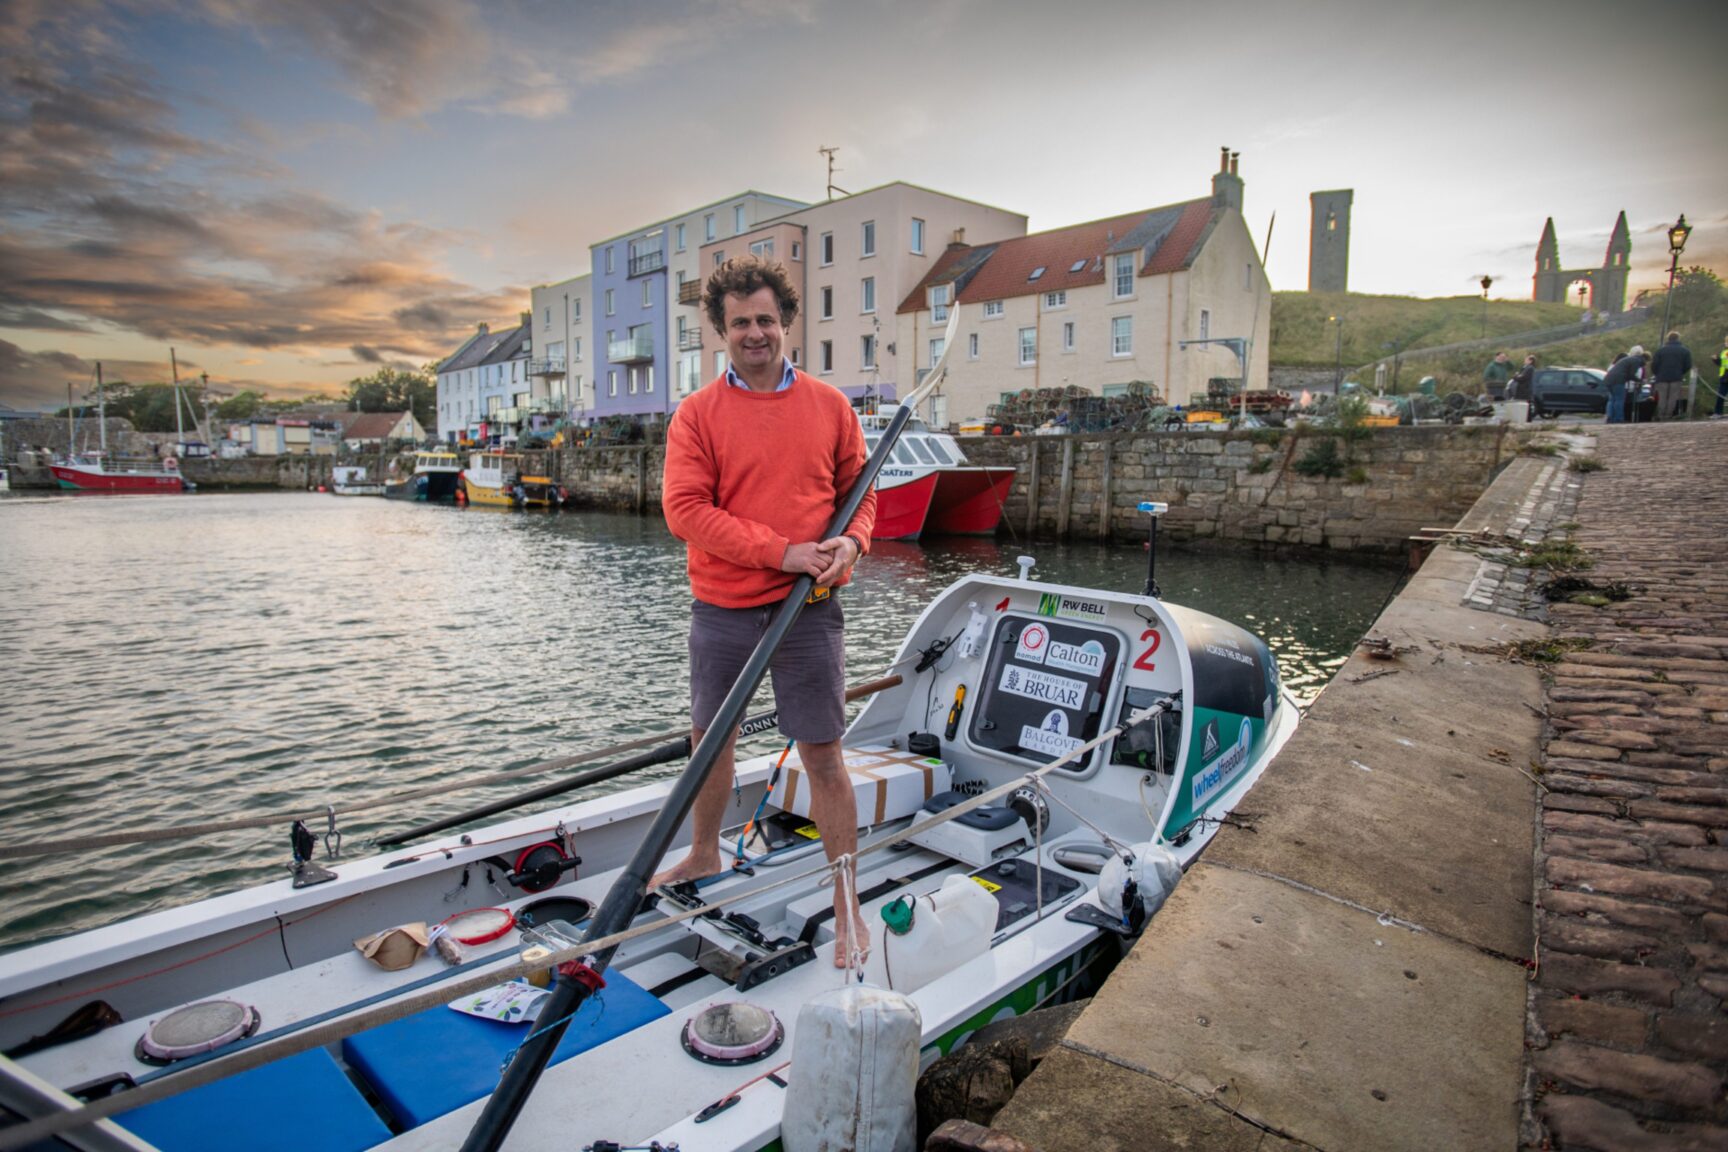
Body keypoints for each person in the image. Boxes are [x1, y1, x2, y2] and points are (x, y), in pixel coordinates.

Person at [658, 256, 877, 966]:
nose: (755, 333)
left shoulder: (829, 406)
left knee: (822, 753)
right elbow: (685, 510)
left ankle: (847, 905)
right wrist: (781, 551)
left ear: (785, 324)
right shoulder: (696, 415)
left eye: (765, 320)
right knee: (709, 741)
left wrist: (852, 541)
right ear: (721, 332)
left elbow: (861, 492)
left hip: (809, 611)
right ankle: (702, 855)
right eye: (740, 323)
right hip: (723, 608)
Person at [1649, 330, 1693, 420]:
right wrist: (1681, 372)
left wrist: (1657, 373)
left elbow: (1654, 365)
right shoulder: (1685, 351)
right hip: (1676, 377)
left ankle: (1661, 415)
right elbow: (1688, 365)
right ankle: (1668, 415)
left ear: (1668, 339)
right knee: (1673, 397)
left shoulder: (1660, 351)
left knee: (1662, 397)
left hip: (1661, 378)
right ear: (1678, 338)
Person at [1603, 345, 1645, 425]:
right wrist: (1639, 380)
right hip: (1619, 382)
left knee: (1612, 400)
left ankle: (1610, 417)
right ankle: (1618, 418)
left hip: (1609, 380)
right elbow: (1632, 374)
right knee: (1619, 400)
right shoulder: (1635, 361)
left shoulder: (1620, 362)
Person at [1716, 335, 1728, 419]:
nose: (1725, 343)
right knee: (1720, 395)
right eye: (1726, 341)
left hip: (1726, 376)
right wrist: (1716, 360)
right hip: (1724, 377)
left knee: (1721, 394)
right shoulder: (1724, 351)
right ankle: (1717, 412)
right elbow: (1722, 363)